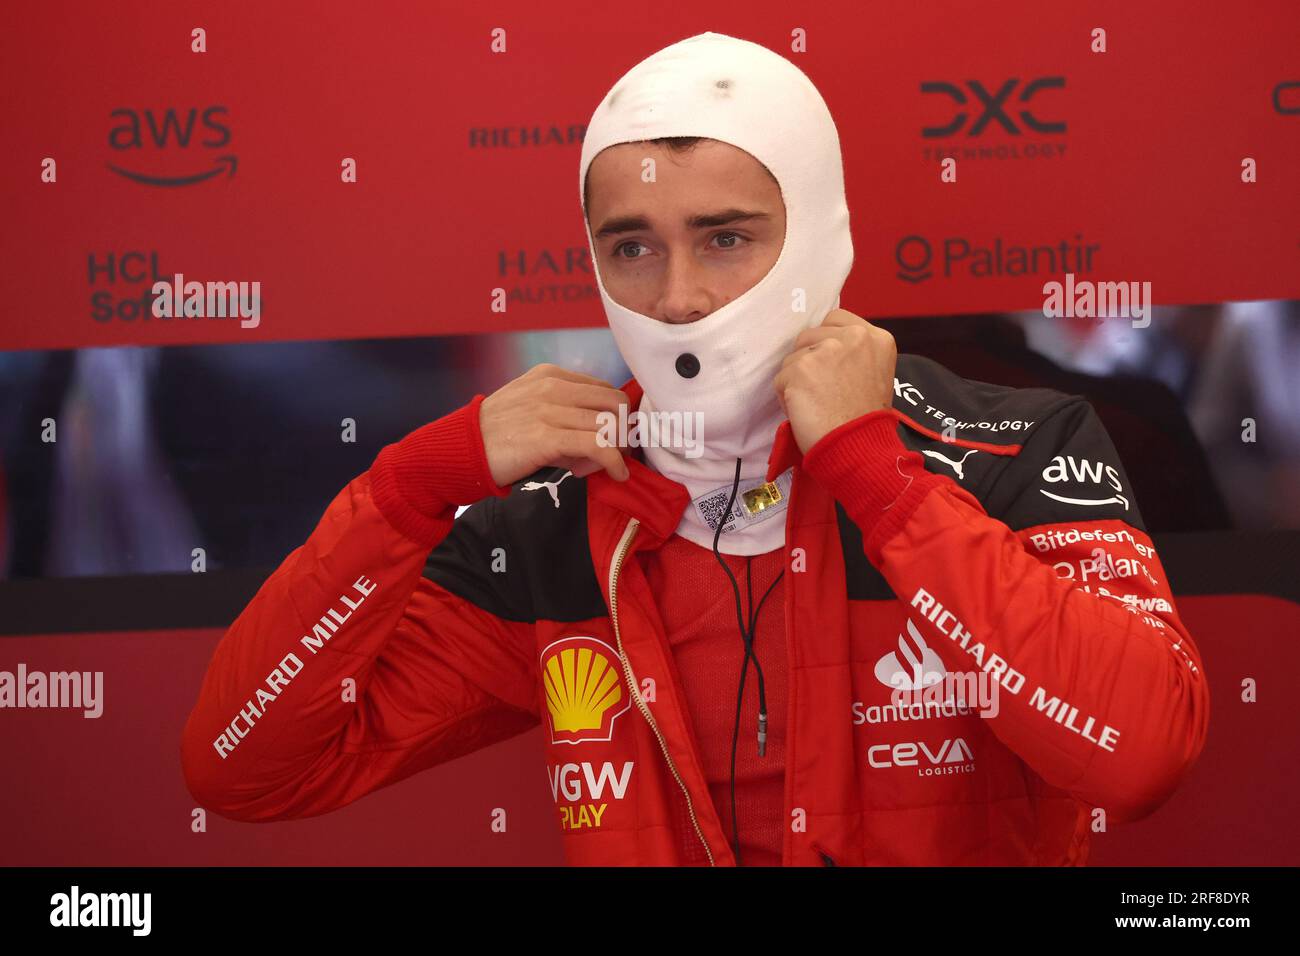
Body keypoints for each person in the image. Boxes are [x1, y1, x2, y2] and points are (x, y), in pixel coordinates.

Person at [180, 31, 1209, 866]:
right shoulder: (557, 519)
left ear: (816, 233)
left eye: (725, 237)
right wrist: (407, 489)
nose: (677, 298)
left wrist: (878, 479)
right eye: (632, 246)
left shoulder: (1011, 445)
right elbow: (246, 769)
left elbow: (1140, 757)